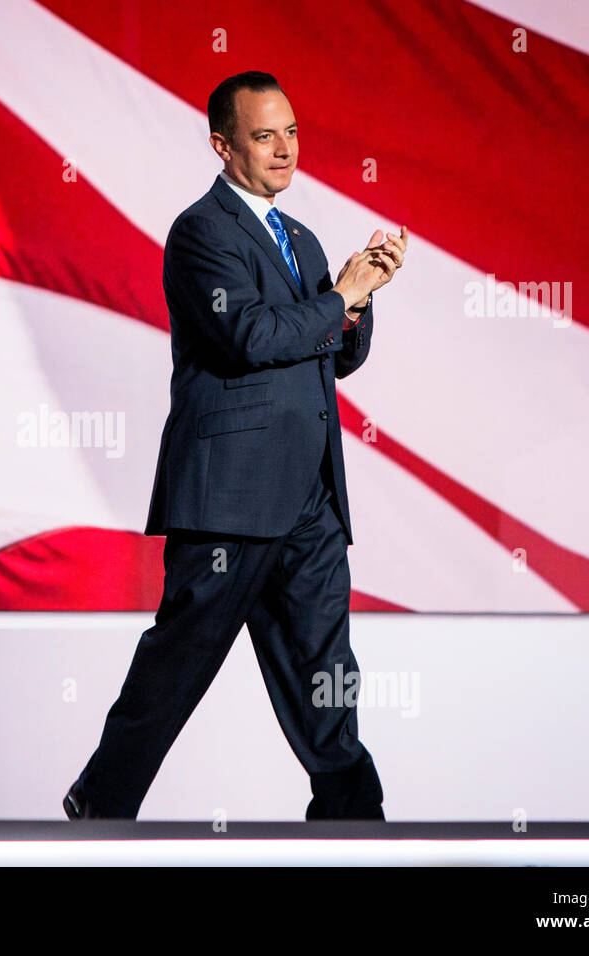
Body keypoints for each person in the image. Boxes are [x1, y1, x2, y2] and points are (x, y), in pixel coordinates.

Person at [64, 70, 407, 821]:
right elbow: (250, 336)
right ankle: (101, 802)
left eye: (290, 131)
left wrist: (360, 296)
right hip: (231, 498)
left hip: (311, 499)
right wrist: (338, 295)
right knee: (180, 661)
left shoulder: (303, 238)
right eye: (264, 135)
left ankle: (353, 819)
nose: (284, 149)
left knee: (327, 669)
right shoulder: (202, 232)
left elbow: (331, 354)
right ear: (223, 145)